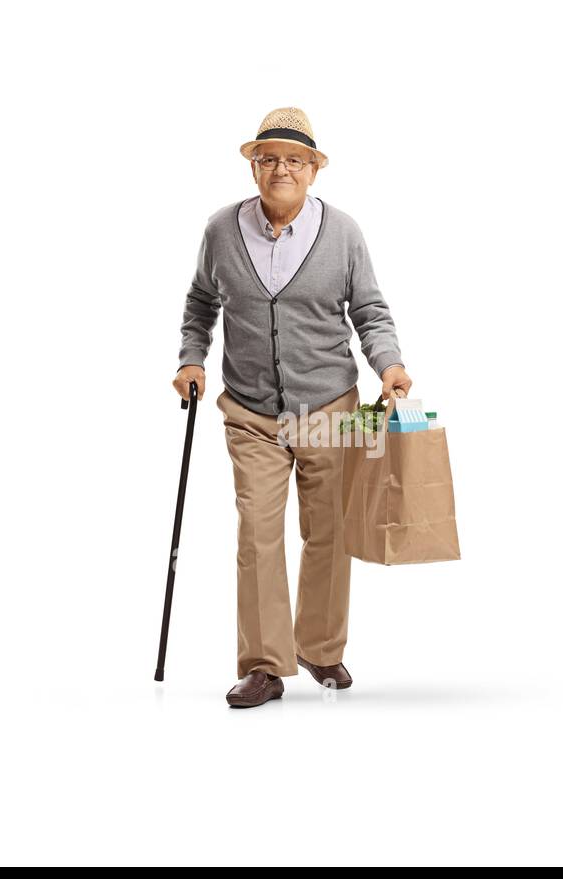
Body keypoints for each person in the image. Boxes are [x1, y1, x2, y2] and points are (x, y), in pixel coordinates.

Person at [172, 107, 412, 708]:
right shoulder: (221, 230)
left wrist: (390, 365)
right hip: (250, 410)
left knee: (328, 531)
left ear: (312, 172)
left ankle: (322, 649)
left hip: (332, 408)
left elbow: (371, 312)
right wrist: (190, 359)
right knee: (257, 532)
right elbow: (201, 301)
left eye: (294, 160)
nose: (282, 168)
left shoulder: (345, 233)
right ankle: (264, 664)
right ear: (254, 168)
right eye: (269, 157)